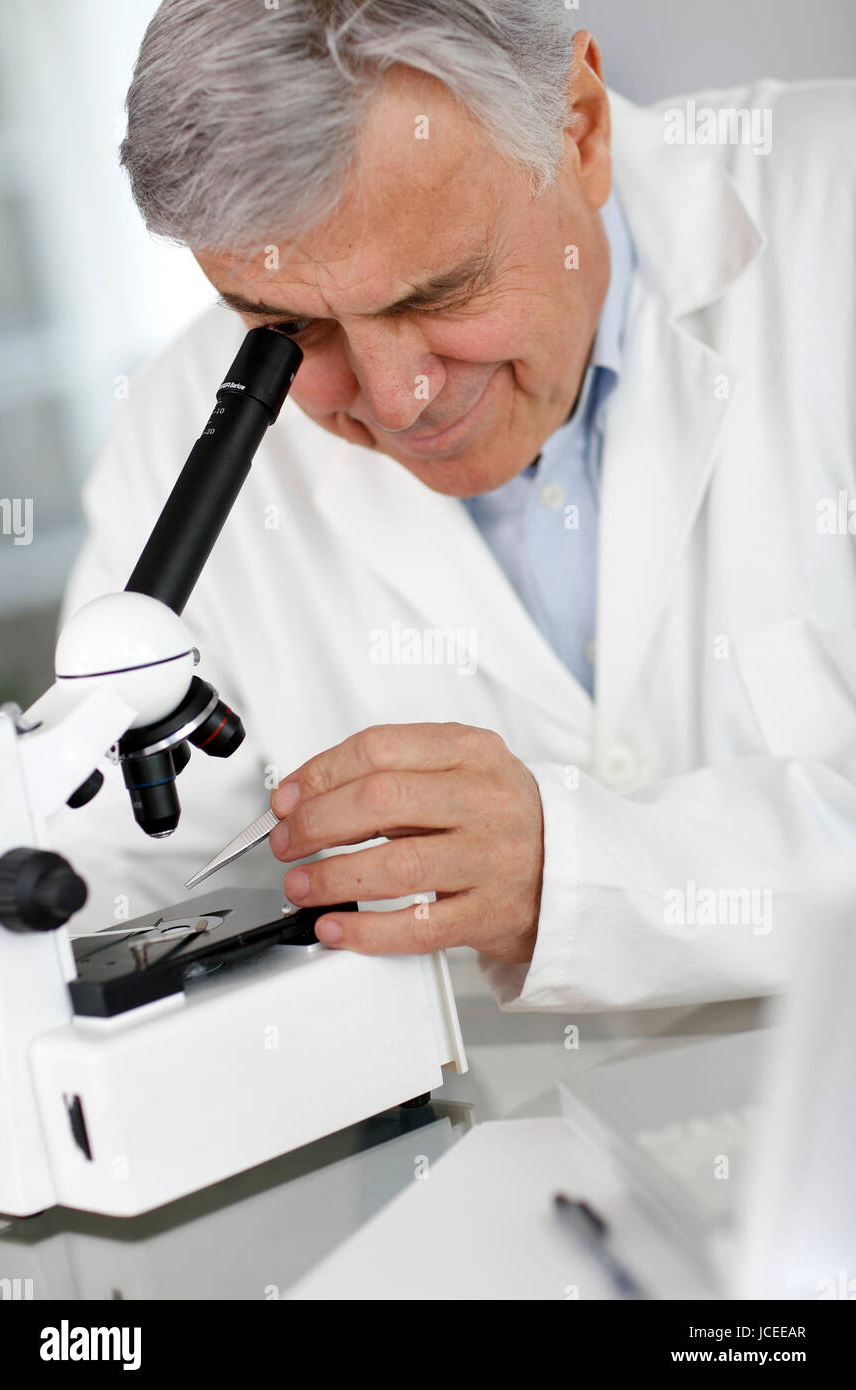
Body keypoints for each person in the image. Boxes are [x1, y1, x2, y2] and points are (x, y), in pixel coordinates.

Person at [53, 0, 856, 1011]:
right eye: (289, 329)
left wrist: (582, 868)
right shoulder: (173, 437)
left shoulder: (837, 223)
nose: (399, 401)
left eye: (440, 294)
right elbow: (95, 872)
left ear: (578, 126)